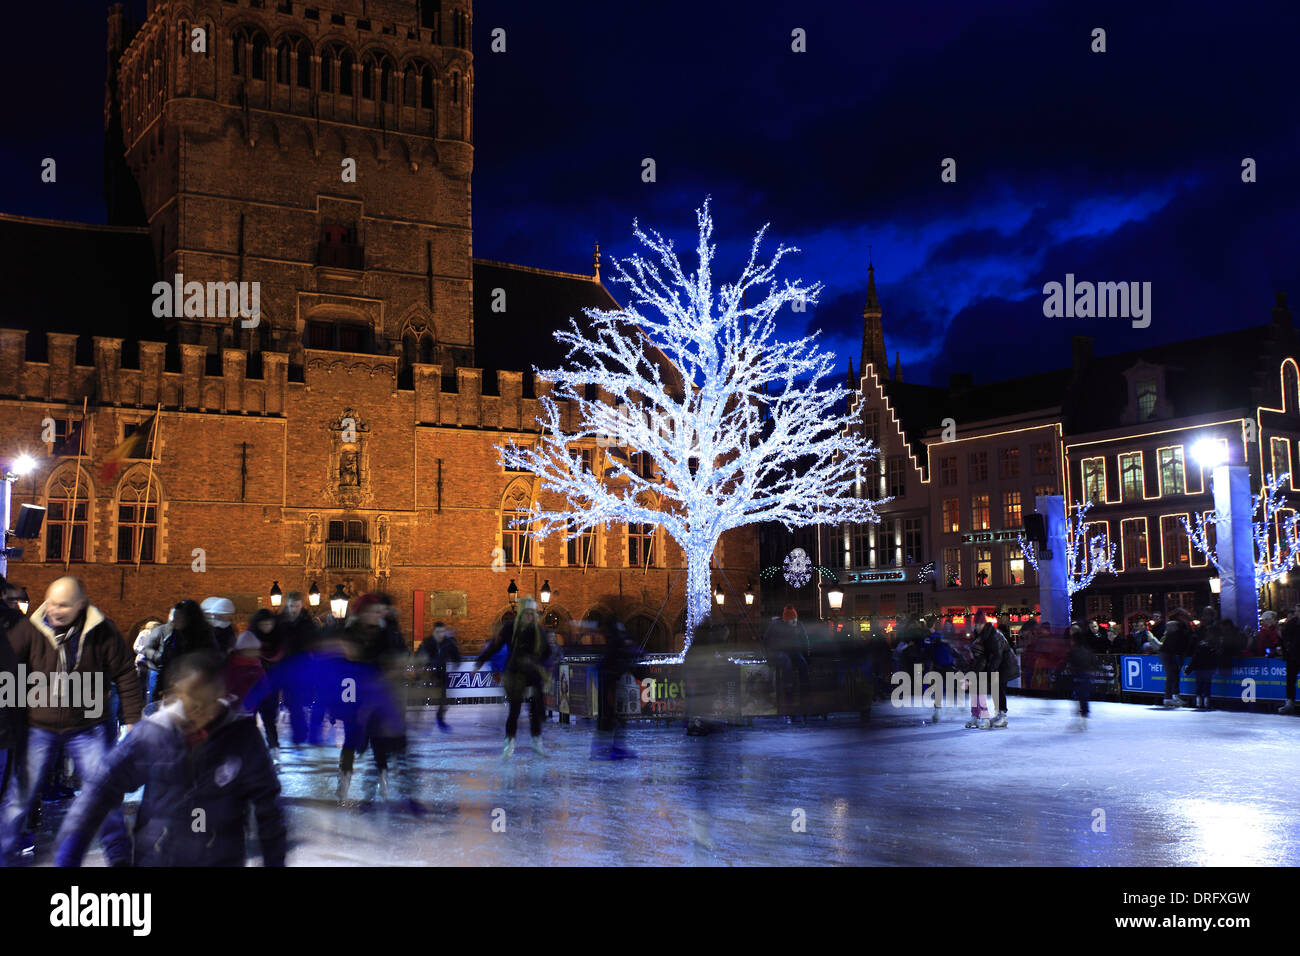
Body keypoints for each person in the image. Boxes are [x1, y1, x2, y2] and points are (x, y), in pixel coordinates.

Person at [55, 650, 286, 866]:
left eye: (208, 703)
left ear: (220, 694)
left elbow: (268, 805)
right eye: (193, 703)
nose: (200, 712)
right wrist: (76, 854)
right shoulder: (152, 735)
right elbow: (101, 788)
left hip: (221, 858)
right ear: (178, 694)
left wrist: (274, 859)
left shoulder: (241, 736)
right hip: (159, 855)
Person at [1, 576, 142, 866]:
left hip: (87, 725)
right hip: (38, 724)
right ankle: (3, 855)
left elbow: (126, 672)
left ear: (80, 604)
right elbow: (8, 671)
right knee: (19, 796)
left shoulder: (102, 631)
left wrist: (133, 719)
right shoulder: (29, 629)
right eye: (51, 603)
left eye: (64, 605)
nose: (55, 610)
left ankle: (118, 857)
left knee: (103, 793)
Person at [474, 597, 552, 757]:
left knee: (535, 710)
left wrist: (541, 663)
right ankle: (509, 744)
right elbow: (495, 646)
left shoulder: (538, 631)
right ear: (521, 613)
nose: (530, 616)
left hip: (532, 675)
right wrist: (479, 662)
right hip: (515, 675)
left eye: (532, 613)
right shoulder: (510, 628)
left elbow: (547, 652)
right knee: (514, 710)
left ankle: (536, 741)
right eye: (527, 613)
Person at [592, 615, 639, 758]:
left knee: (613, 716)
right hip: (612, 681)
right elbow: (623, 654)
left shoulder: (613, 638)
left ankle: (609, 747)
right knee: (612, 715)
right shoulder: (616, 638)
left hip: (612, 679)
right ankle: (606, 748)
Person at [153, 600, 220, 700]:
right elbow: (165, 664)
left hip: (194, 694)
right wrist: (159, 690)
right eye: (174, 617)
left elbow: (207, 667)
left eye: (178, 618)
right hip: (172, 691)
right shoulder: (172, 639)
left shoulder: (203, 640)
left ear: (190, 618)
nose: (174, 621)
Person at [762, 606, 811, 722]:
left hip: (793, 651)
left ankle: (805, 689)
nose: (795, 621)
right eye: (792, 619)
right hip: (779, 652)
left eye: (795, 619)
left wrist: (807, 655)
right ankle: (788, 688)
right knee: (786, 662)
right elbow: (766, 640)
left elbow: (804, 640)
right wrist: (769, 655)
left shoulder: (798, 625)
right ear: (786, 619)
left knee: (802, 663)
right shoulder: (776, 625)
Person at [417, 622, 460, 731]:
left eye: (442, 632)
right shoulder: (428, 642)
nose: (441, 634)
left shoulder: (447, 643)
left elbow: (455, 655)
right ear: (434, 632)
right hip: (428, 673)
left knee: (444, 699)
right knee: (423, 697)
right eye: (438, 632)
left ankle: (440, 719)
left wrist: (456, 661)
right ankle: (419, 721)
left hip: (441, 673)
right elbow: (419, 654)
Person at [966, 612, 1005, 729]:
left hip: (986, 667)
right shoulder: (977, 635)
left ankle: (985, 716)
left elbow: (994, 654)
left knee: (983, 691)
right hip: (977, 665)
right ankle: (975, 715)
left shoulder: (990, 635)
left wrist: (990, 669)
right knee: (974, 691)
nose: (977, 627)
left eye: (980, 624)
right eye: (976, 624)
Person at [225, 631, 270, 706]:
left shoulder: (258, 667)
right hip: (234, 707)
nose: (256, 653)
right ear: (242, 650)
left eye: (257, 650)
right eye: (252, 650)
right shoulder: (230, 666)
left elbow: (265, 688)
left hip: (252, 707)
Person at [1064, 623, 1095, 730]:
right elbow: (1092, 662)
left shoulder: (1074, 651)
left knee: (1079, 697)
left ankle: (1083, 720)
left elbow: (1069, 662)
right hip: (1085, 675)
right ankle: (1083, 719)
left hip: (1078, 675)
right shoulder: (1087, 650)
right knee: (1082, 697)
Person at [1161, 610, 1192, 707]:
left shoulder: (1180, 628)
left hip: (1170, 653)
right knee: (1171, 675)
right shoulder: (1180, 627)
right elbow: (1184, 640)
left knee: (1174, 674)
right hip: (1168, 653)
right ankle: (1168, 698)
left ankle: (1174, 696)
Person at [1185, 625, 1220, 711]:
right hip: (1206, 670)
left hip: (1200, 670)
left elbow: (1194, 660)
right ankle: (1205, 702)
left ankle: (1199, 702)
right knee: (1206, 686)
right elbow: (1214, 659)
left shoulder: (1201, 646)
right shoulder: (1213, 647)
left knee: (1199, 686)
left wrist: (1188, 670)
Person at [1279, 606, 1300, 714]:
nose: (1298, 613)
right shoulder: (1292, 624)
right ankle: (1289, 702)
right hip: (1293, 657)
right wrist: (1287, 649)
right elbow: (1284, 637)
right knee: (1290, 680)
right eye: (1297, 611)